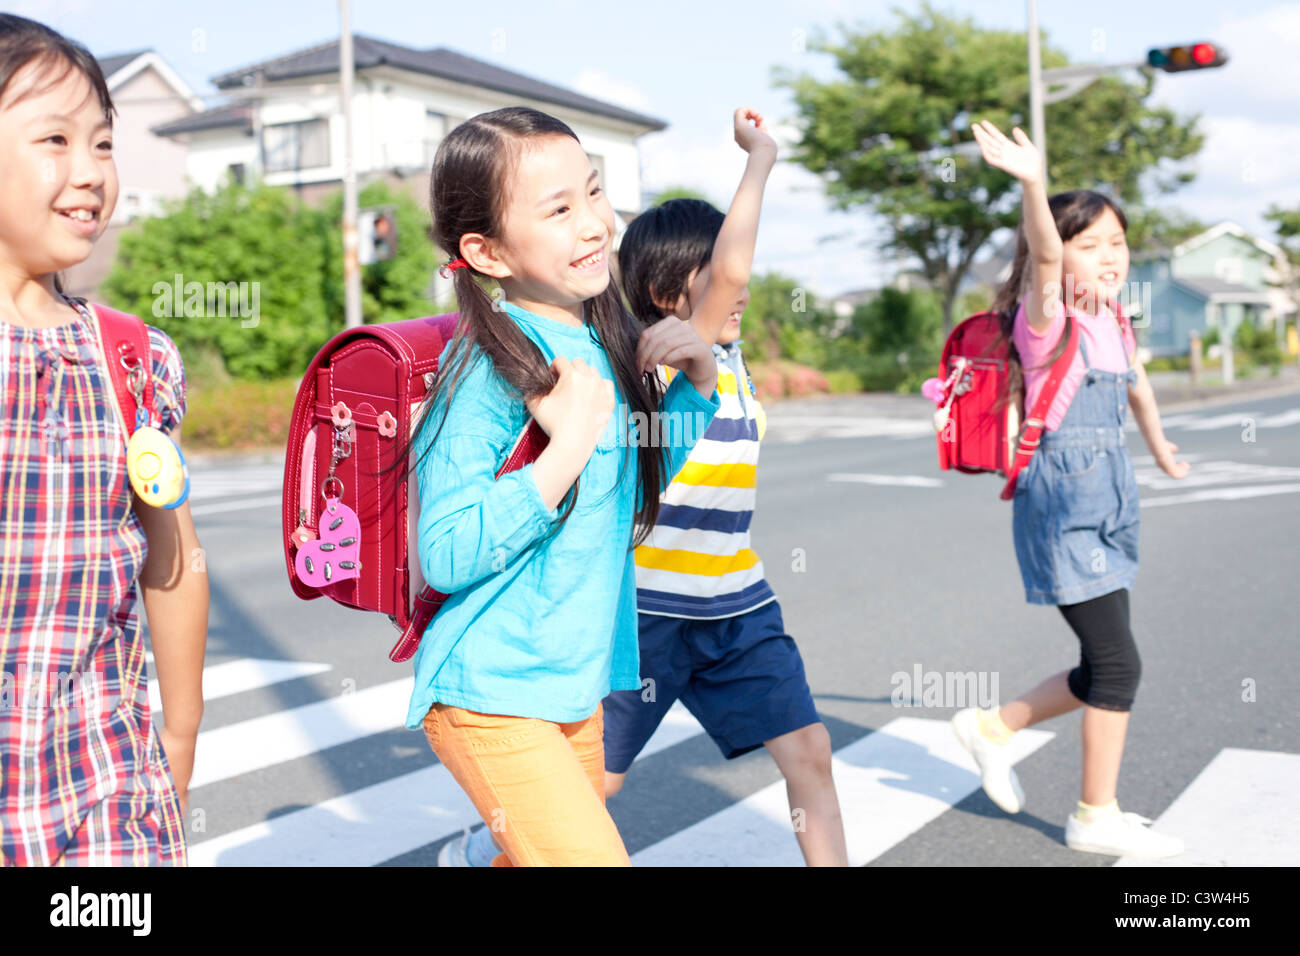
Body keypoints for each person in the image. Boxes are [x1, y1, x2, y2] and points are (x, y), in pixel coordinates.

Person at [407, 106, 721, 866]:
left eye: (593, 192)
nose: (593, 224)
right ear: (485, 251)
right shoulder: (485, 366)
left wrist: (695, 389)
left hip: (570, 689)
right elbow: (444, 552)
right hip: (491, 692)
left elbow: (627, 489)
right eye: (558, 209)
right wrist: (563, 453)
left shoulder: (597, 340)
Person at [0, 14, 208, 866]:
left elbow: (173, 552)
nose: (89, 173)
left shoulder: (130, 356)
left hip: (104, 776)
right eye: (55, 139)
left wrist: (181, 734)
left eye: (104, 144)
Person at [951, 120, 1189, 858]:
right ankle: (1095, 815)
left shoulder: (1114, 319)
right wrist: (1031, 181)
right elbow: (1046, 255)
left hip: (1111, 502)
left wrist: (1161, 451)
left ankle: (992, 727)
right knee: (1119, 665)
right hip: (1062, 507)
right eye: (1093, 244)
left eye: (1116, 242)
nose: (1109, 255)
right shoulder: (1044, 318)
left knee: (1099, 663)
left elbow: (1139, 389)